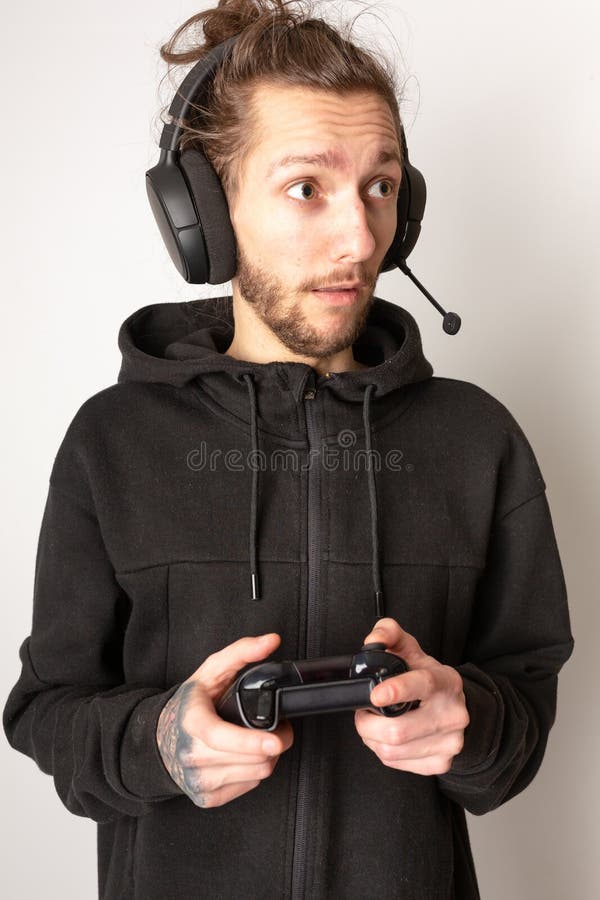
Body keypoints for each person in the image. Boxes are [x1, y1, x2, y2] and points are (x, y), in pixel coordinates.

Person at [3, 2, 573, 899]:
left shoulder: (479, 440)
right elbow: (46, 716)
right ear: (205, 213)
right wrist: (158, 742)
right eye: (307, 187)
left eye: (381, 186)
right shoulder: (110, 444)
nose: (359, 239)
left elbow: (524, 715)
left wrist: (471, 724)